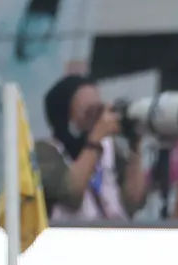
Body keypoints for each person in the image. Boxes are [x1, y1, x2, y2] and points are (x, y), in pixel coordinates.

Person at [35, 75, 148, 221]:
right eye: (89, 112)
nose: (97, 118)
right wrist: (94, 140)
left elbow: (134, 201)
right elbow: (70, 194)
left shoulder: (108, 150)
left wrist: (135, 146)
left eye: (100, 110)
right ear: (66, 117)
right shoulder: (44, 152)